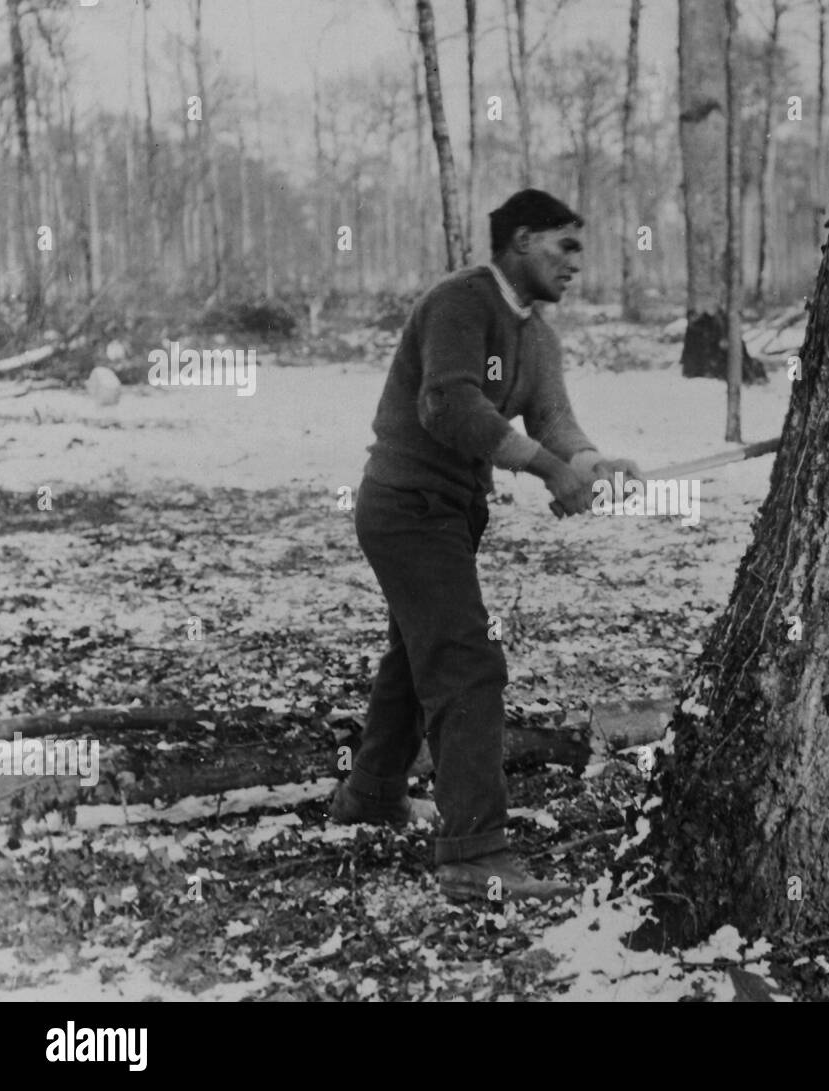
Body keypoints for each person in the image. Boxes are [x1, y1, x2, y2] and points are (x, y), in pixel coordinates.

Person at [330, 189, 641, 902]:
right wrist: (547, 469)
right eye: (565, 246)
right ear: (522, 240)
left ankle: (371, 792)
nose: (576, 264)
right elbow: (449, 405)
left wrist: (593, 464)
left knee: (419, 652)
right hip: (405, 507)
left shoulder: (537, 335)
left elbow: (553, 419)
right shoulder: (460, 304)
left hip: (453, 514)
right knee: (467, 663)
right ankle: (473, 855)